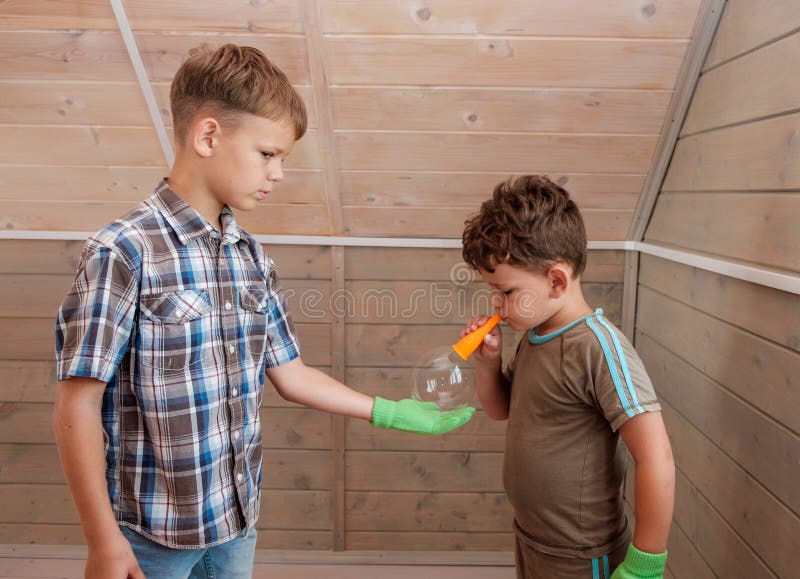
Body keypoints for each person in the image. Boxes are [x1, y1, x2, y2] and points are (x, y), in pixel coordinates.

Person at [53, 43, 474, 579]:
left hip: (238, 525)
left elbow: (291, 374)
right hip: (150, 538)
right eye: (268, 154)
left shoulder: (252, 258)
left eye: (283, 160)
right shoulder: (123, 252)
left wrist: (389, 410)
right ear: (209, 135)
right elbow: (77, 406)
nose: (277, 174)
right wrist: (102, 541)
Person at [460, 175, 675, 579]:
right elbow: (500, 409)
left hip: (580, 555)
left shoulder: (599, 349)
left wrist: (645, 563)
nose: (496, 303)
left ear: (556, 281)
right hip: (533, 538)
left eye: (505, 292)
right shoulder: (536, 334)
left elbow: (656, 457)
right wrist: (489, 362)